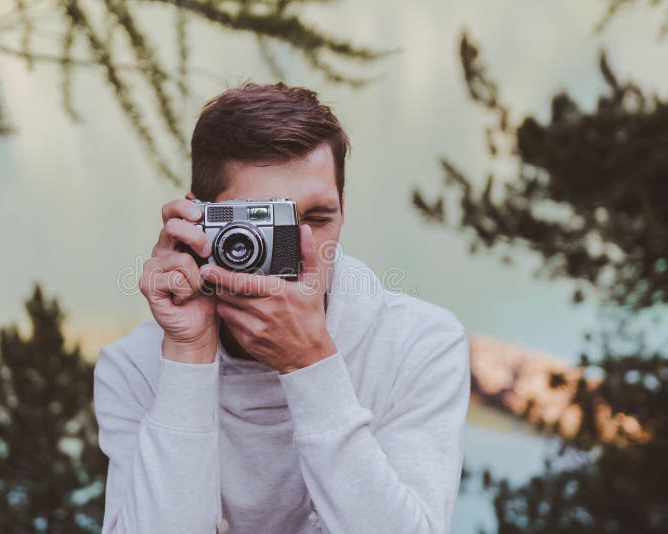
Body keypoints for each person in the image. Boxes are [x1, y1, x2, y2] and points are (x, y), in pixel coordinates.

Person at [93, 82, 471, 534]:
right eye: (260, 223)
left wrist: (310, 364)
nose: (296, 250)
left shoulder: (420, 346)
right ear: (197, 219)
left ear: (343, 210)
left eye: (315, 219)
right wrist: (189, 353)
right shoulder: (134, 366)